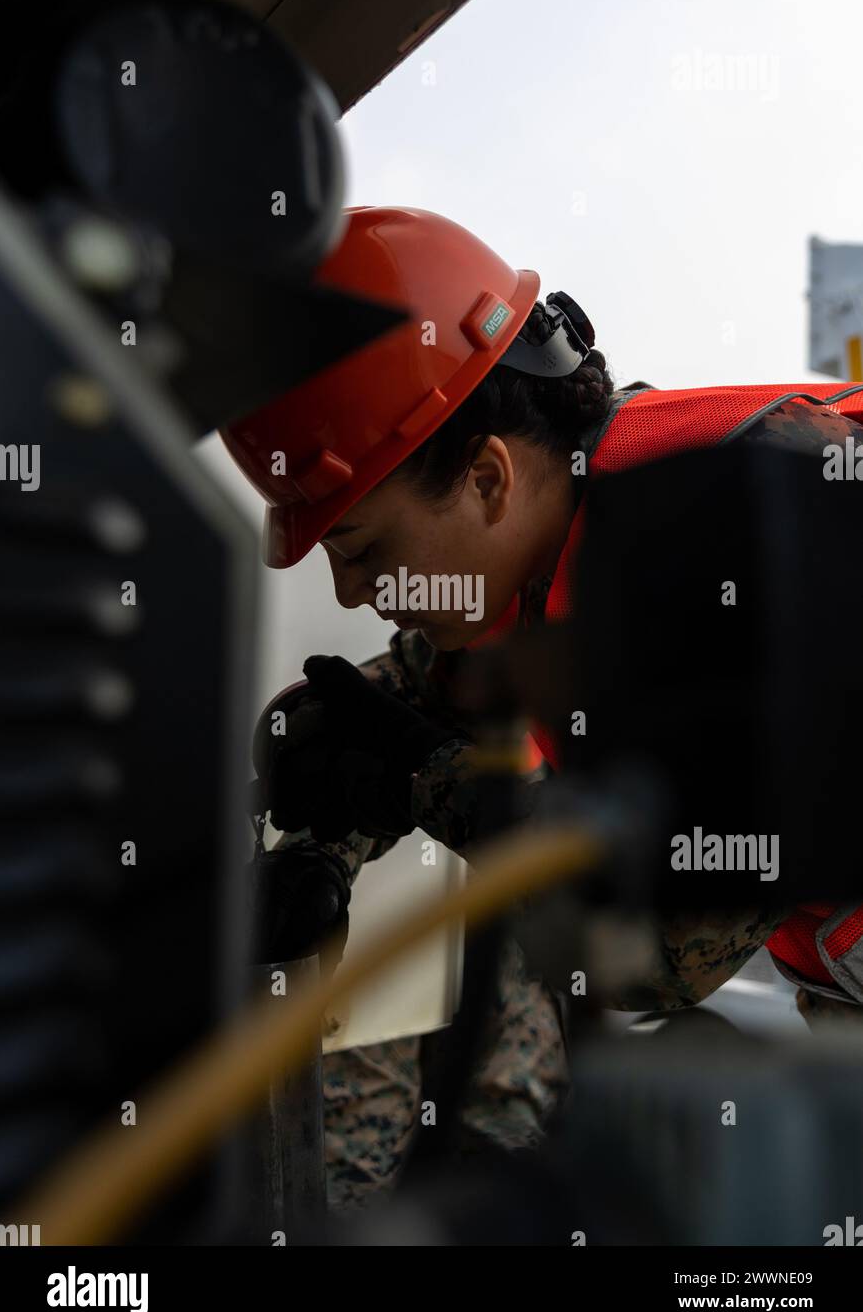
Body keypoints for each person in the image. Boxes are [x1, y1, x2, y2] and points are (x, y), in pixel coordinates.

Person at [221, 206, 863, 1210]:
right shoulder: (535, 568)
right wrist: (316, 849)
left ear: (485, 477)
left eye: (364, 552)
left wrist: (438, 788)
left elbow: (658, 962)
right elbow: (354, 719)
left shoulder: (742, 530)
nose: (351, 594)